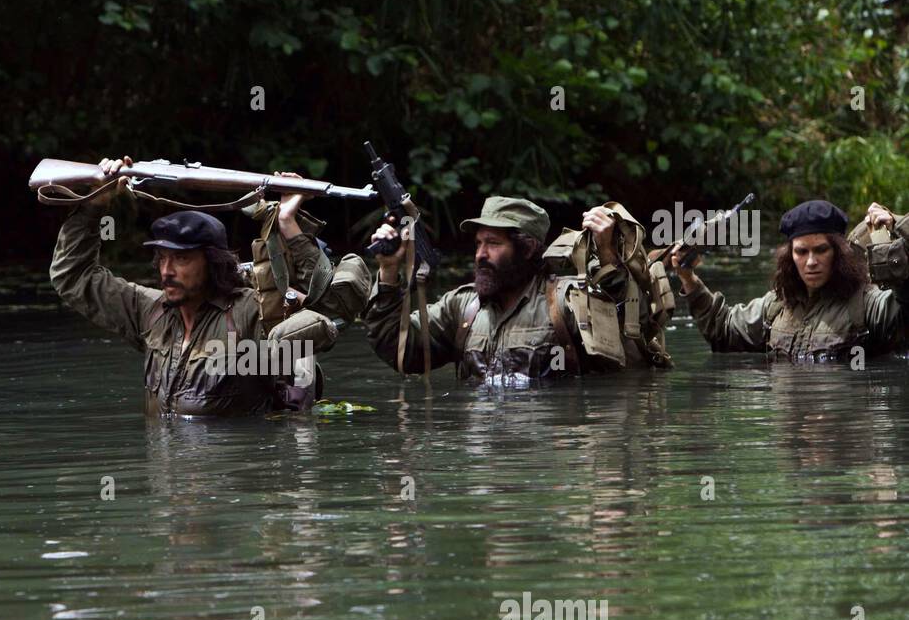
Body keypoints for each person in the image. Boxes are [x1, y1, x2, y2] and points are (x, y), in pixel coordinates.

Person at [49, 155, 335, 416]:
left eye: (181, 259)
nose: (167, 271)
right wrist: (95, 204)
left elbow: (321, 305)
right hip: (163, 468)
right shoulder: (149, 311)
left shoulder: (252, 311)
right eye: (162, 259)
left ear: (213, 263)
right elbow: (73, 277)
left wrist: (287, 222)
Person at [364, 195, 663, 381]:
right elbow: (400, 351)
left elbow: (631, 341)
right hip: (480, 465)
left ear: (527, 249)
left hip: (546, 460)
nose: (481, 254)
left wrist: (608, 255)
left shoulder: (567, 300)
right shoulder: (462, 307)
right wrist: (389, 271)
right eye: (479, 243)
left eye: (493, 244)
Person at [673, 200, 909, 361]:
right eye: (801, 252)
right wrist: (688, 278)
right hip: (792, 423)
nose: (811, 262)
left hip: (843, 423)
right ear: (790, 256)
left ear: (839, 254)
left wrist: (898, 229)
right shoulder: (777, 305)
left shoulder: (866, 305)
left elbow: (904, 311)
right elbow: (723, 330)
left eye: (821, 250)